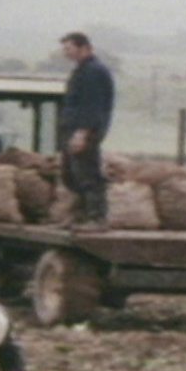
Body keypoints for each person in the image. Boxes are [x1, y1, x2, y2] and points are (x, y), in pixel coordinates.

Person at [57, 31, 116, 232]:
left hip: (84, 130)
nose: (65, 53)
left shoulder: (93, 72)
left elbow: (92, 105)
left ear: (83, 47)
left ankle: (97, 218)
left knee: (88, 174)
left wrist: (82, 132)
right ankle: (81, 216)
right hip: (73, 129)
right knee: (71, 175)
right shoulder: (82, 70)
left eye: (68, 48)